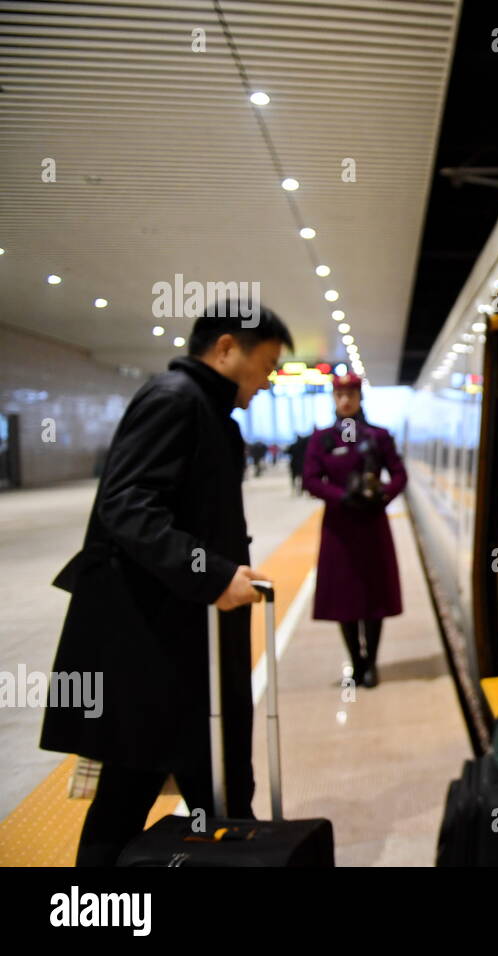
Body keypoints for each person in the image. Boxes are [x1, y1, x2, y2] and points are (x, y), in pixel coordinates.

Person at [40, 300, 294, 866]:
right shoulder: (175, 400)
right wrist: (214, 574)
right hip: (156, 645)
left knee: (162, 789)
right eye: (266, 366)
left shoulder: (204, 410)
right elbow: (128, 506)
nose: (268, 382)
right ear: (226, 348)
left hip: (176, 640)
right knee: (166, 790)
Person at [302, 373, 407, 688]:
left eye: (351, 394)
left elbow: (399, 475)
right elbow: (310, 479)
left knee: (374, 594)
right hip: (339, 528)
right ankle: (356, 663)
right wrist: (341, 497)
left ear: (360, 397)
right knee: (344, 596)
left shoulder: (378, 436)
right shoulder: (322, 439)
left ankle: (372, 662)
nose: (345, 401)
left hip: (372, 525)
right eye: (340, 395)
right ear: (334, 399)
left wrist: (382, 495)